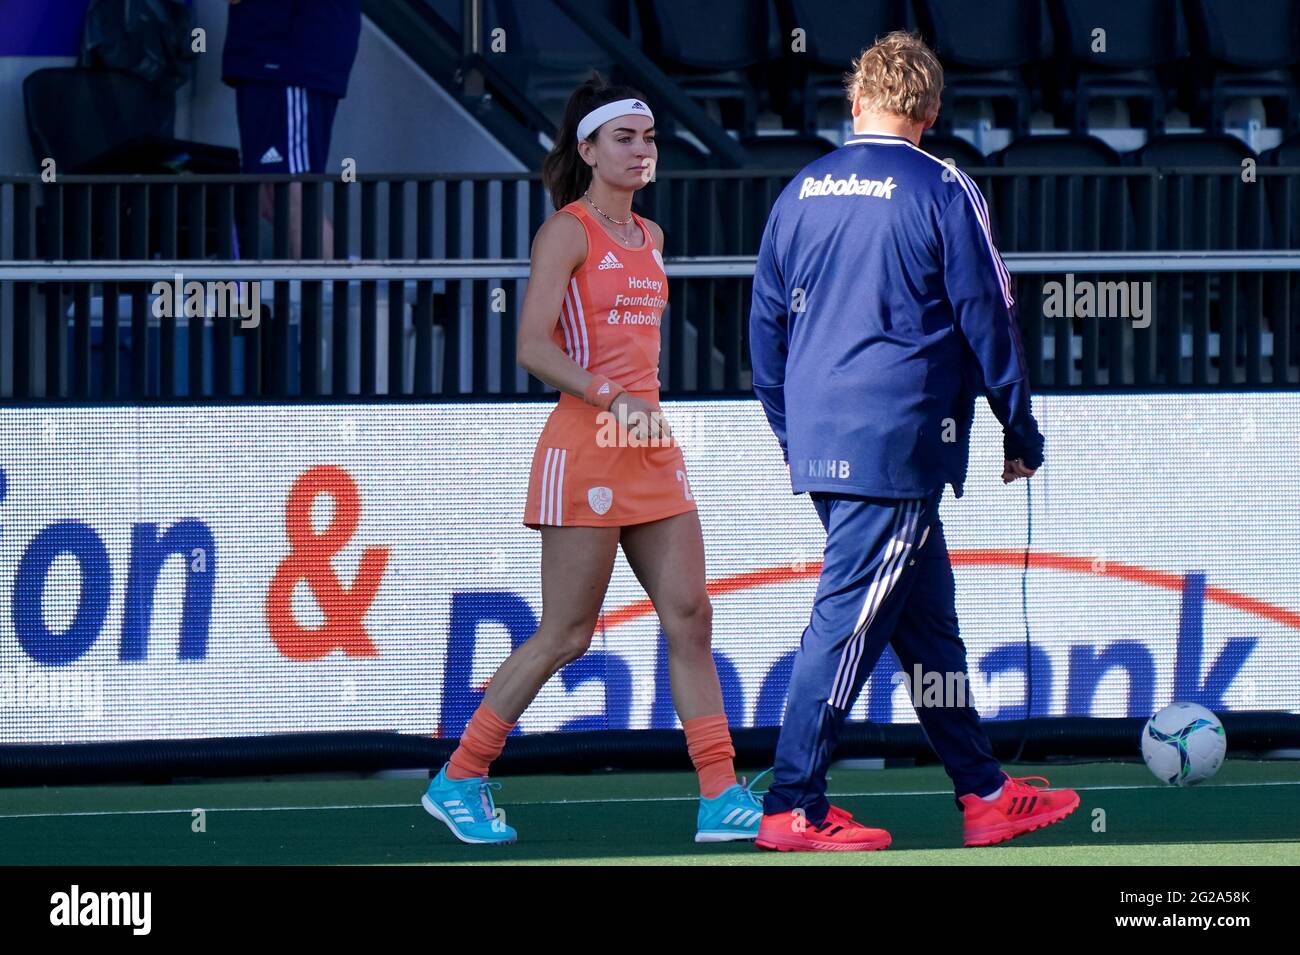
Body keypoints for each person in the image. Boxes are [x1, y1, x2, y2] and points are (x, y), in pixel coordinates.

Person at [748, 31, 1080, 852]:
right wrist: (1020, 427)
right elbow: (990, 315)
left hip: (826, 441)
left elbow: (762, 334)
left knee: (927, 627)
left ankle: (983, 790)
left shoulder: (801, 190)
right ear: (930, 112)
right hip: (896, 444)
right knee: (846, 624)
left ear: (855, 104)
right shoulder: (942, 186)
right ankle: (793, 803)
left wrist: (798, 433)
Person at [422, 76, 765, 846]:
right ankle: (460, 775)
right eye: (625, 139)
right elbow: (532, 345)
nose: (643, 151)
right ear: (588, 150)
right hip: (586, 445)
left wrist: (640, 406)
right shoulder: (568, 231)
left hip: (647, 445)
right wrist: (614, 398)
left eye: (648, 139)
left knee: (690, 614)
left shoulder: (653, 238)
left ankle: (719, 793)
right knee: (566, 633)